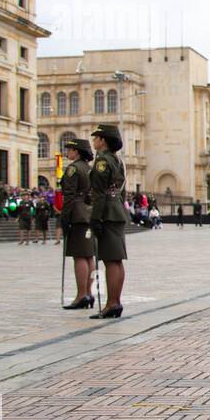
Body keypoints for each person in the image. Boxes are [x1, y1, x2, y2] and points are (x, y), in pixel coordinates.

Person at [88, 124, 130, 319]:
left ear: (103, 140)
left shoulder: (102, 161)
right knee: (117, 261)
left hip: (107, 213)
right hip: (117, 211)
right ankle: (115, 301)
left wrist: (96, 217)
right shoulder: (118, 161)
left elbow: (99, 193)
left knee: (110, 261)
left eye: (96, 137)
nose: (94, 141)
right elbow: (122, 191)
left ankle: (112, 303)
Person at [60, 137, 97, 310]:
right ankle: (88, 292)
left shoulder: (73, 169)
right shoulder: (89, 168)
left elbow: (69, 195)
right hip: (89, 212)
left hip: (77, 213)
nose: (67, 152)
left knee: (79, 256)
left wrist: (65, 217)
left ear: (77, 152)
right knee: (89, 255)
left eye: (70, 150)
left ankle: (81, 294)